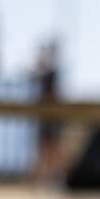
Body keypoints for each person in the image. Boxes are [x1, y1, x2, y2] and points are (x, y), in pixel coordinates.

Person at [34, 40, 63, 185]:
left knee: (53, 148)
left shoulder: (53, 72)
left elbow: (54, 93)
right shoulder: (42, 72)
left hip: (53, 116)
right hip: (44, 116)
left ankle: (54, 178)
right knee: (44, 148)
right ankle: (45, 178)